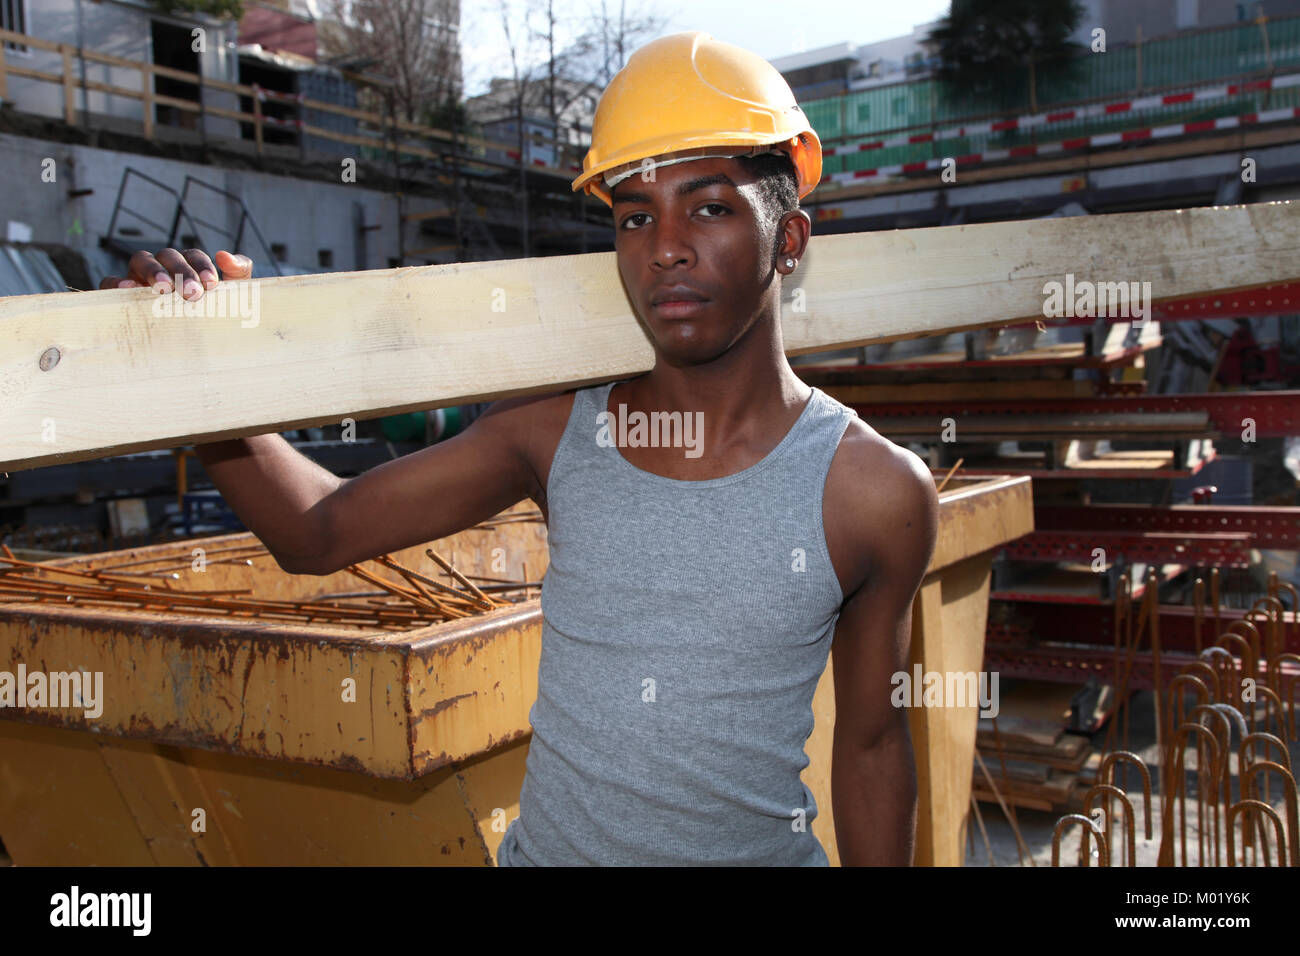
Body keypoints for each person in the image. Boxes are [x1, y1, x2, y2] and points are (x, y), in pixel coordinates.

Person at [101, 31, 938, 866]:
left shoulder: (870, 492)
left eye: (710, 207)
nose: (666, 246)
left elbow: (870, 746)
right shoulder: (554, 431)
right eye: (636, 217)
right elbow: (315, 532)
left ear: (788, 242)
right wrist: (194, 376)